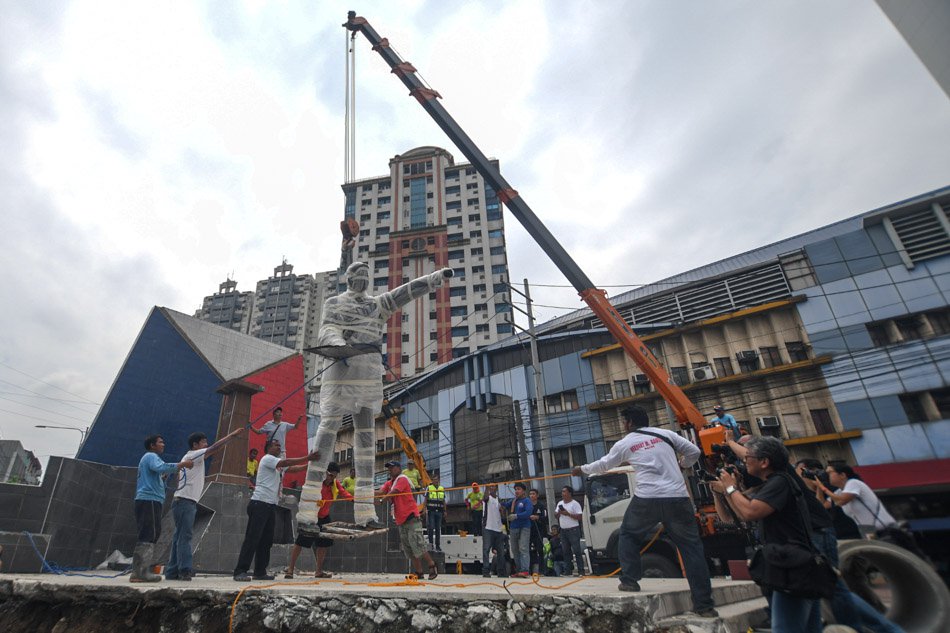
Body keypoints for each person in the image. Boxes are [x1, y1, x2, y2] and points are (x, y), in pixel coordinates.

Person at [298, 262, 452, 534]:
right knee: (326, 432)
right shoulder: (334, 303)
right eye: (358, 276)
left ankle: (366, 510)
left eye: (366, 276)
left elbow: (405, 293)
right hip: (341, 369)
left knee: (366, 440)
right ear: (348, 279)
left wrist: (435, 279)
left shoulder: (376, 305)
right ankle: (308, 508)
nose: (362, 280)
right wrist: (336, 343)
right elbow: (326, 329)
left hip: (367, 372)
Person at [573, 405, 716, 616]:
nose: (623, 426)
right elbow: (694, 451)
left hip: (647, 499)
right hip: (677, 497)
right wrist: (682, 464)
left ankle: (630, 581)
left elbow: (604, 465)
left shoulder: (626, 442)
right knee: (691, 549)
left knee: (628, 535)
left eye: (624, 422)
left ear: (629, 423)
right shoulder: (667, 434)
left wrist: (582, 469)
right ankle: (704, 607)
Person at [718, 436, 821, 632]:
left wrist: (731, 488)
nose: (744, 460)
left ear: (764, 462)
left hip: (793, 568)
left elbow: (750, 511)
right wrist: (726, 491)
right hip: (791, 565)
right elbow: (741, 515)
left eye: (748, 456)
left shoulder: (780, 482)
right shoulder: (773, 483)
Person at [233, 440, 319, 581]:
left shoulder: (277, 465)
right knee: (252, 539)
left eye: (280, 445)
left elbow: (294, 469)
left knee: (266, 541)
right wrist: (307, 458)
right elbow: (286, 463)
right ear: (268, 448)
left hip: (270, 505)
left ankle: (260, 572)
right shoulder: (267, 459)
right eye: (276, 445)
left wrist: (311, 464)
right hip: (260, 503)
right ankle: (240, 571)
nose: (279, 447)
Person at [165, 427, 244, 581]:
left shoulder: (190, 457)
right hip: (185, 502)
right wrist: (232, 435)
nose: (206, 445)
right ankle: (185, 569)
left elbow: (212, 451)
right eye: (203, 442)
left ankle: (172, 571)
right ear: (195, 445)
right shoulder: (194, 455)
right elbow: (214, 448)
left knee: (179, 537)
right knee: (185, 536)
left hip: (182, 501)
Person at [131, 435, 194, 583]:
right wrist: (182, 464)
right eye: (160, 442)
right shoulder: (151, 456)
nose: (163, 444)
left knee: (151, 533)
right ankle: (141, 572)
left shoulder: (148, 458)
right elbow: (161, 467)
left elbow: (158, 472)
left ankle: (139, 572)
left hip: (151, 500)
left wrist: (162, 477)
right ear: (152, 445)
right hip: (149, 500)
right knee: (149, 534)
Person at [285, 461, 352, 579]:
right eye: (330, 475)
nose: (332, 478)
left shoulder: (335, 484)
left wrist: (354, 499)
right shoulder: (316, 482)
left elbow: (344, 493)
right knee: (300, 542)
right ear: (325, 473)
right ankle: (290, 569)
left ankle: (319, 571)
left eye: (334, 476)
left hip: (324, 516)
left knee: (323, 544)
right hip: (311, 516)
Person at [377, 460, 438, 579]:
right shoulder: (390, 483)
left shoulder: (402, 479)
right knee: (409, 549)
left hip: (411, 518)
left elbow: (394, 492)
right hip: (401, 520)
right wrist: (363, 492)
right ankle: (419, 572)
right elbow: (380, 491)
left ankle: (432, 565)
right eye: (389, 468)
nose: (390, 470)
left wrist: (383, 499)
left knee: (418, 544)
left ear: (399, 468)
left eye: (392, 467)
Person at [819, 464, 896, 534]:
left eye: (829, 472)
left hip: (886, 530)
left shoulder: (853, 483)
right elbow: (822, 505)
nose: (826, 475)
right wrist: (818, 487)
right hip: (869, 532)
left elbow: (842, 500)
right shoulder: (840, 491)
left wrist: (824, 489)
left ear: (842, 475)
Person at [553, 486, 586, 577]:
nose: (562, 493)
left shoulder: (575, 504)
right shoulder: (560, 503)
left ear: (570, 493)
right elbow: (556, 515)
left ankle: (581, 571)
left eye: (564, 491)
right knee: (565, 551)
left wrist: (568, 514)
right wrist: (558, 512)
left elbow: (579, 517)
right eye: (562, 492)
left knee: (577, 550)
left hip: (573, 529)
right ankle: (568, 571)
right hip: (563, 530)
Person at [507, 482, 533, 577]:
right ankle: (519, 570)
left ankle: (525, 570)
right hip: (513, 527)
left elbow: (528, 513)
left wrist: (516, 516)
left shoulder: (527, 501)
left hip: (524, 527)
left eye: (519, 489)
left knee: (523, 547)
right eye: (515, 489)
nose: (516, 491)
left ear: (523, 491)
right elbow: (505, 505)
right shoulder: (513, 501)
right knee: (514, 549)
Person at [481, 484, 506, 578]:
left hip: (499, 529)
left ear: (497, 488)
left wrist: (504, 531)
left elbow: (502, 516)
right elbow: (485, 497)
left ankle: (501, 572)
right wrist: (486, 489)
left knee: (501, 551)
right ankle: (486, 571)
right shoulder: (487, 498)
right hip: (488, 527)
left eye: (493, 486)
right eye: (490, 487)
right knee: (486, 549)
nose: (492, 488)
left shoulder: (499, 500)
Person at [528, 488, 548, 574]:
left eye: (533, 494)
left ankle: (542, 571)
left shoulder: (541, 506)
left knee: (540, 550)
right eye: (530, 494)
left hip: (539, 531)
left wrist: (537, 517)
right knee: (529, 551)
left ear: (537, 495)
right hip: (529, 531)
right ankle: (529, 570)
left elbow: (545, 518)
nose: (532, 495)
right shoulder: (527, 505)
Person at [424, 473, 445, 551]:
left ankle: (438, 546)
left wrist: (445, 511)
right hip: (431, 511)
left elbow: (443, 500)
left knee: (438, 529)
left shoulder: (441, 488)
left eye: (436, 479)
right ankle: (431, 545)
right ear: (432, 481)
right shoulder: (429, 488)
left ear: (438, 480)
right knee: (431, 528)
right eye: (434, 480)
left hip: (439, 511)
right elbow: (426, 499)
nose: (435, 481)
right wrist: (424, 509)